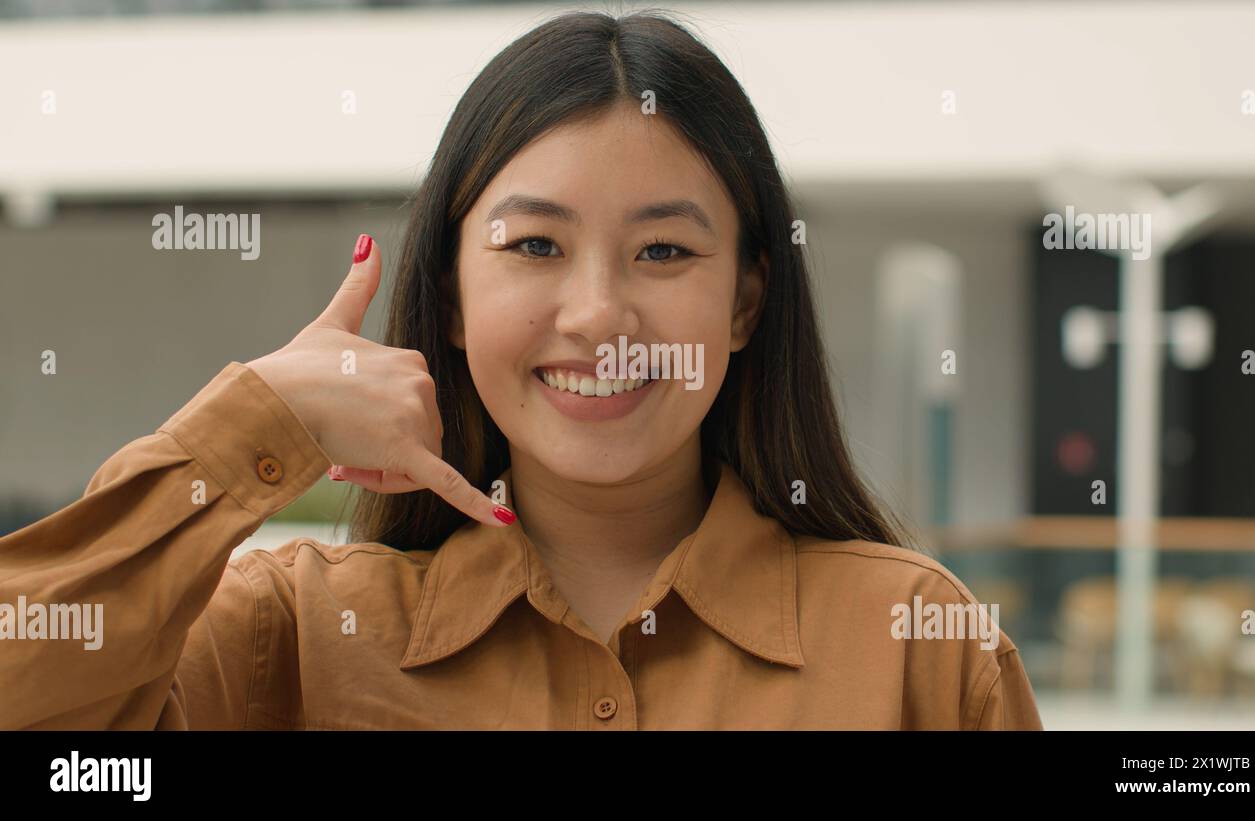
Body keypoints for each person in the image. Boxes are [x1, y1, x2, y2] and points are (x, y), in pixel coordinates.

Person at [0, 10, 1042, 730]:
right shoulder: (294, 633)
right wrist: (256, 424)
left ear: (744, 301)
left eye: (665, 251)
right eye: (534, 246)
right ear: (449, 296)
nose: (597, 313)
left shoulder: (916, 646)